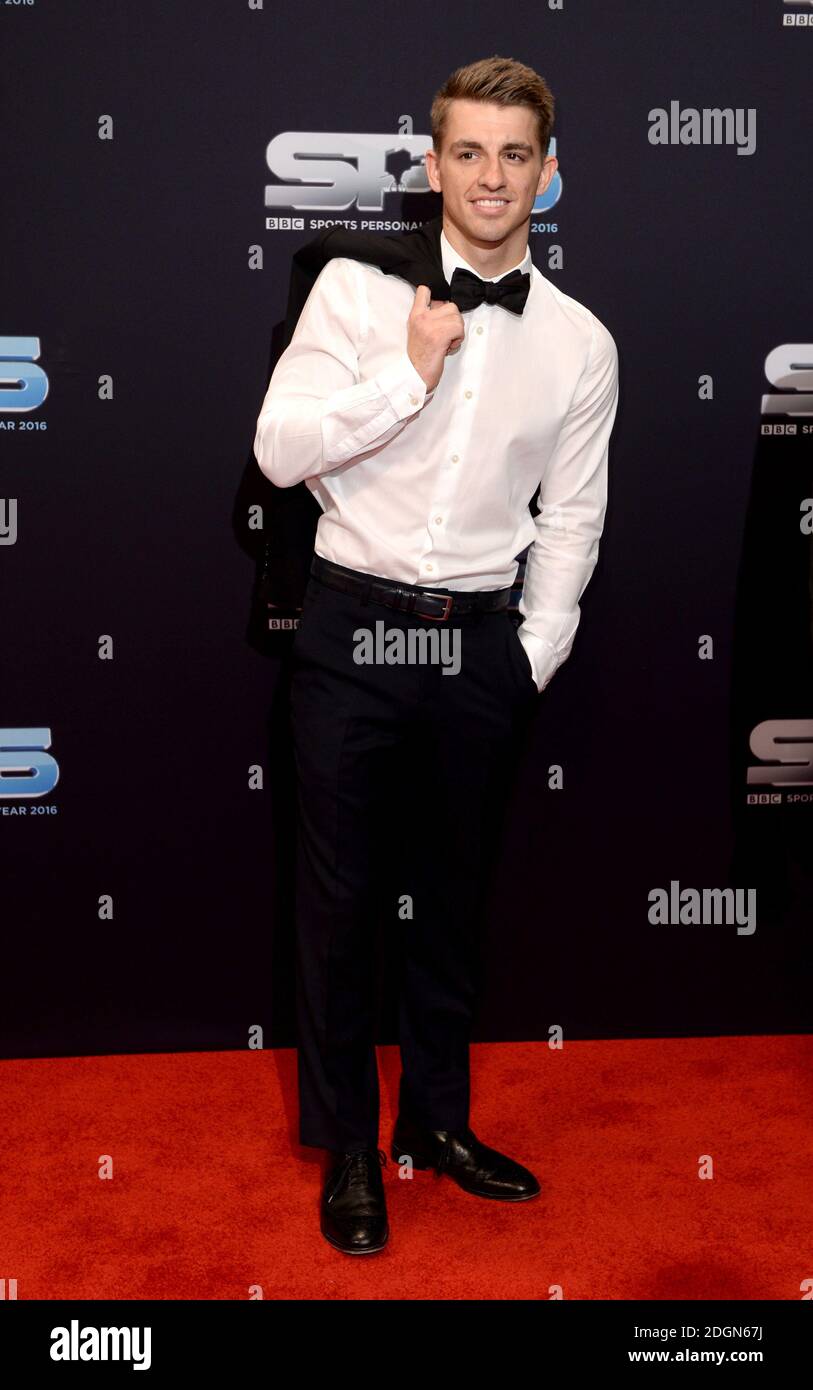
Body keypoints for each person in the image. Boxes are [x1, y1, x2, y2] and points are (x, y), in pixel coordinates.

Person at [253, 54, 620, 1255]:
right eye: (469, 151)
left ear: (548, 174)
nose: (493, 175)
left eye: (517, 154)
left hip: (479, 646)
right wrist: (406, 377)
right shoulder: (355, 292)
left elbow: (571, 518)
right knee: (341, 903)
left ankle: (441, 1125)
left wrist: (533, 657)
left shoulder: (579, 343)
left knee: (454, 903)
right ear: (431, 166)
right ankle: (352, 1147)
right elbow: (278, 448)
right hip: (352, 627)